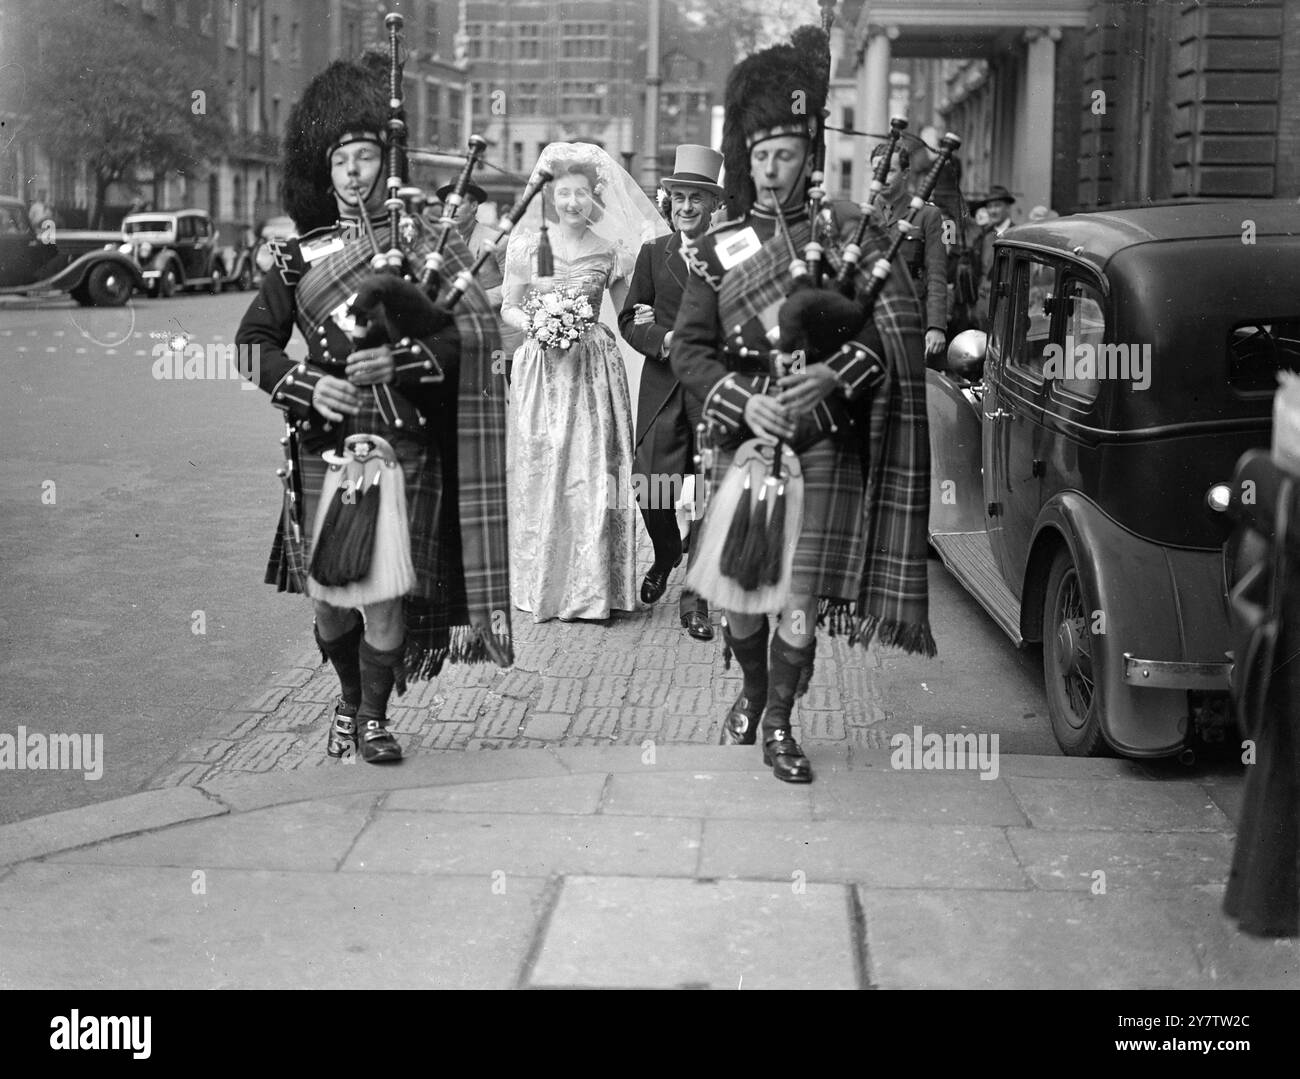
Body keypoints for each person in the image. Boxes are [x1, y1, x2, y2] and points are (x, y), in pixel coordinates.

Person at [671, 25, 935, 783]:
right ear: (743, 161)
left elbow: (889, 337)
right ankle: (755, 685)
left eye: (785, 154)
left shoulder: (845, 232)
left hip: (822, 441)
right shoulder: (717, 248)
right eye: (759, 156)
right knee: (744, 603)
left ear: (808, 157)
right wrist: (746, 402)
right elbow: (689, 349)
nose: (771, 169)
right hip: (747, 440)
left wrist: (831, 377)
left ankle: (782, 721)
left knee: (800, 597)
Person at [235, 55, 513, 763]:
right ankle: (349, 695)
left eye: (366, 156)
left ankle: (372, 716)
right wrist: (300, 383)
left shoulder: (420, 247)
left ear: (385, 163)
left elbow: (465, 337)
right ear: (322, 174)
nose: (355, 171)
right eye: (342, 160)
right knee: (330, 598)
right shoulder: (295, 260)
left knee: (383, 594)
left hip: (399, 438)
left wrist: (399, 361)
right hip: (323, 440)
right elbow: (250, 346)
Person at [500, 142, 669, 621]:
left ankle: (595, 591)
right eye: (563, 193)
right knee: (545, 469)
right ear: (550, 195)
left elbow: (631, 311)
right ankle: (545, 588)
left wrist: (667, 331)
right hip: (541, 368)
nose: (572, 203)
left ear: (595, 196)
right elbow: (508, 305)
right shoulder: (530, 245)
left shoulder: (610, 250)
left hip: (593, 368)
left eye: (581, 194)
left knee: (593, 476)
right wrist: (537, 323)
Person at [617, 144, 724, 643]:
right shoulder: (652, 254)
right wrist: (660, 338)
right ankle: (665, 552)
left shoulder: (734, 256)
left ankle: (695, 600)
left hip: (713, 393)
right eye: (679, 197)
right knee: (649, 484)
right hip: (662, 391)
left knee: (708, 495)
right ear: (669, 201)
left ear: (713, 205)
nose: (686, 206)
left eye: (696, 198)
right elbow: (629, 319)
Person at [869, 141, 948, 368]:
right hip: (869, 316)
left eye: (889, 171)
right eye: (876, 171)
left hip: (910, 316)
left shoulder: (927, 215)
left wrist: (936, 326)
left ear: (904, 173)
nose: (881, 177)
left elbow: (937, 274)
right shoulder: (863, 214)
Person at [973, 184, 1016, 330]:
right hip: (984, 300)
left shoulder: (1018, 234)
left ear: (1007, 207)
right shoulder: (983, 236)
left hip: (1009, 299)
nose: (992, 210)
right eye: (989, 207)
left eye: (997, 206)